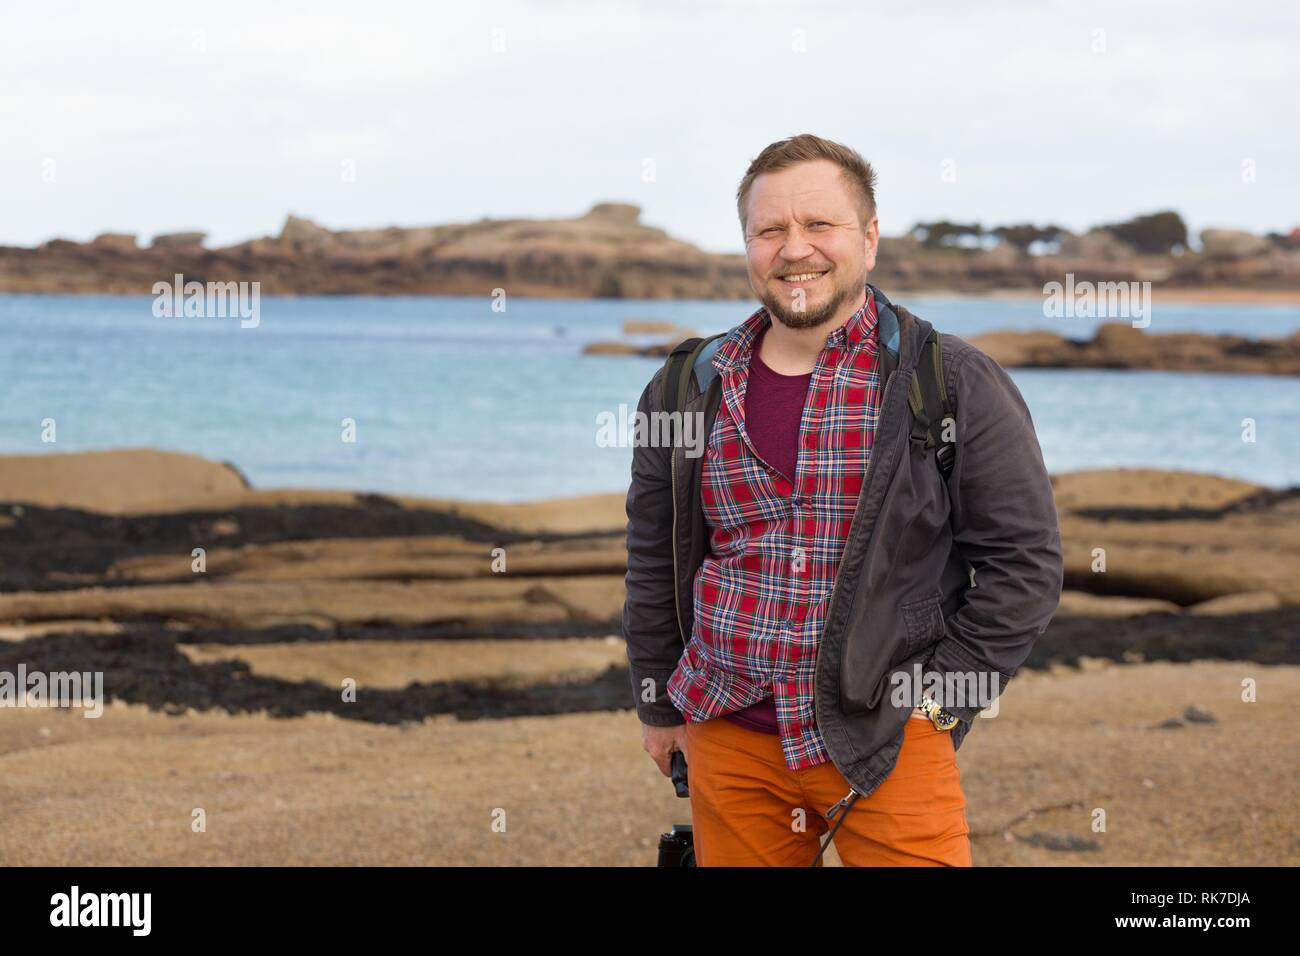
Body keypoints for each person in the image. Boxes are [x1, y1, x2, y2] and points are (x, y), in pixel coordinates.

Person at [622, 133, 1063, 866]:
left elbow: (1027, 565)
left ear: (869, 238)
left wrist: (941, 701)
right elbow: (652, 556)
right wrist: (658, 702)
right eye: (770, 230)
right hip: (725, 732)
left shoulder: (949, 378)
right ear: (748, 245)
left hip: (888, 733)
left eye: (819, 225)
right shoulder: (685, 385)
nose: (795, 249)